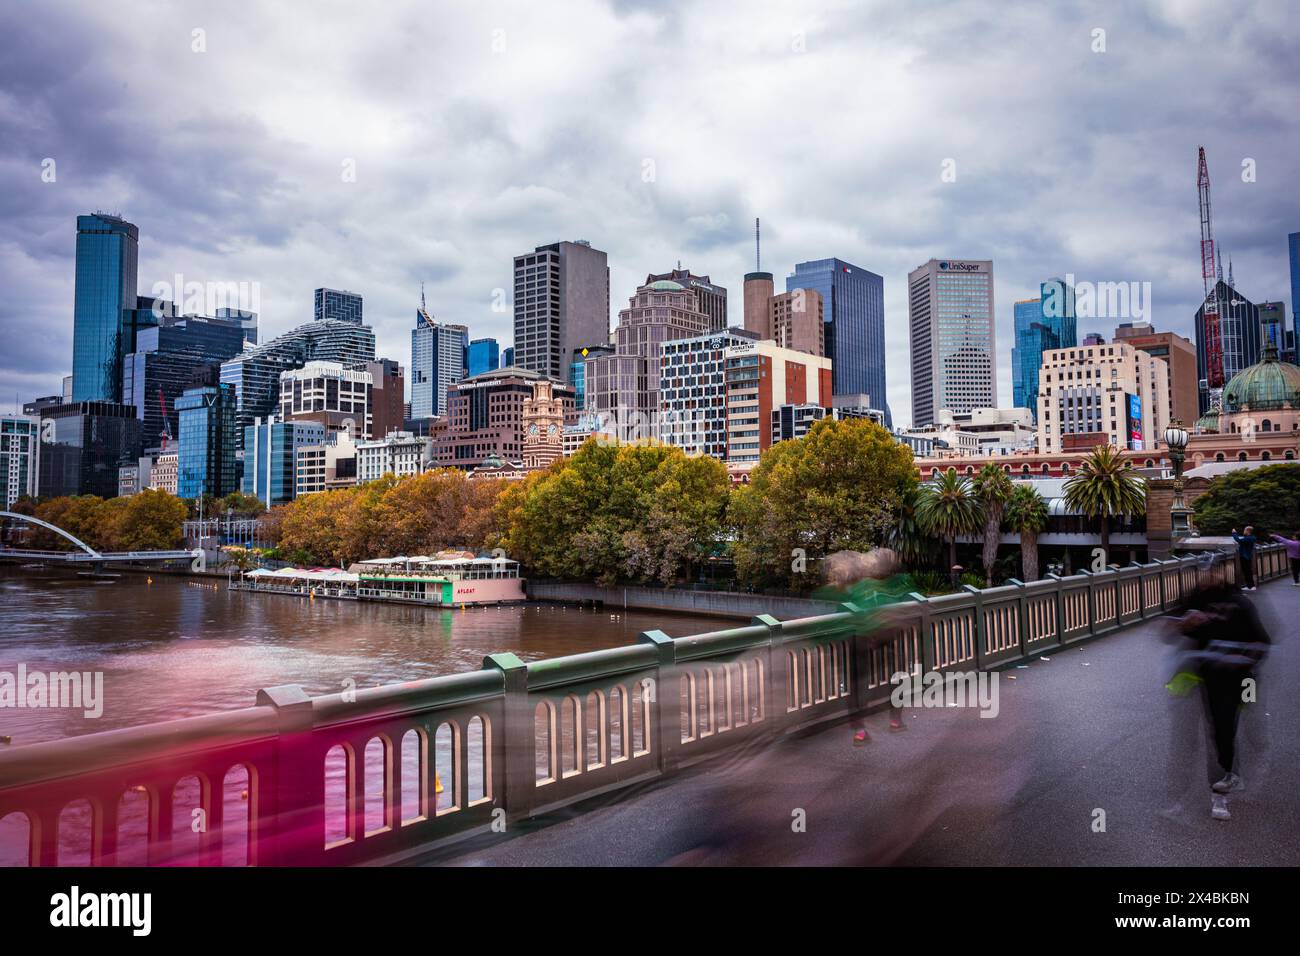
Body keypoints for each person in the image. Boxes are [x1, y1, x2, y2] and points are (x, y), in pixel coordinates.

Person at [1169, 557, 1271, 821]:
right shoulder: (1195, 599)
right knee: (1213, 731)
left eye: (1212, 571)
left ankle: (1226, 784)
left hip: (1238, 678)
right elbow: (1171, 631)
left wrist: (1240, 659)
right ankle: (1218, 788)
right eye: (1203, 572)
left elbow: (1262, 641)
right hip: (1206, 677)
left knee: (1227, 729)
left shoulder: (1240, 602)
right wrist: (1184, 625)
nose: (1207, 577)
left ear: (1222, 573)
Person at [1231, 526, 1258, 590]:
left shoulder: (1249, 538)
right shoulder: (1250, 538)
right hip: (1247, 556)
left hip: (1245, 556)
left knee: (1247, 571)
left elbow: (1239, 540)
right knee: (1247, 571)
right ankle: (1249, 585)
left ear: (1248, 531)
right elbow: (1242, 542)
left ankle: (1251, 586)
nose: (1244, 531)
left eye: (1245, 530)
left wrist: (1234, 533)